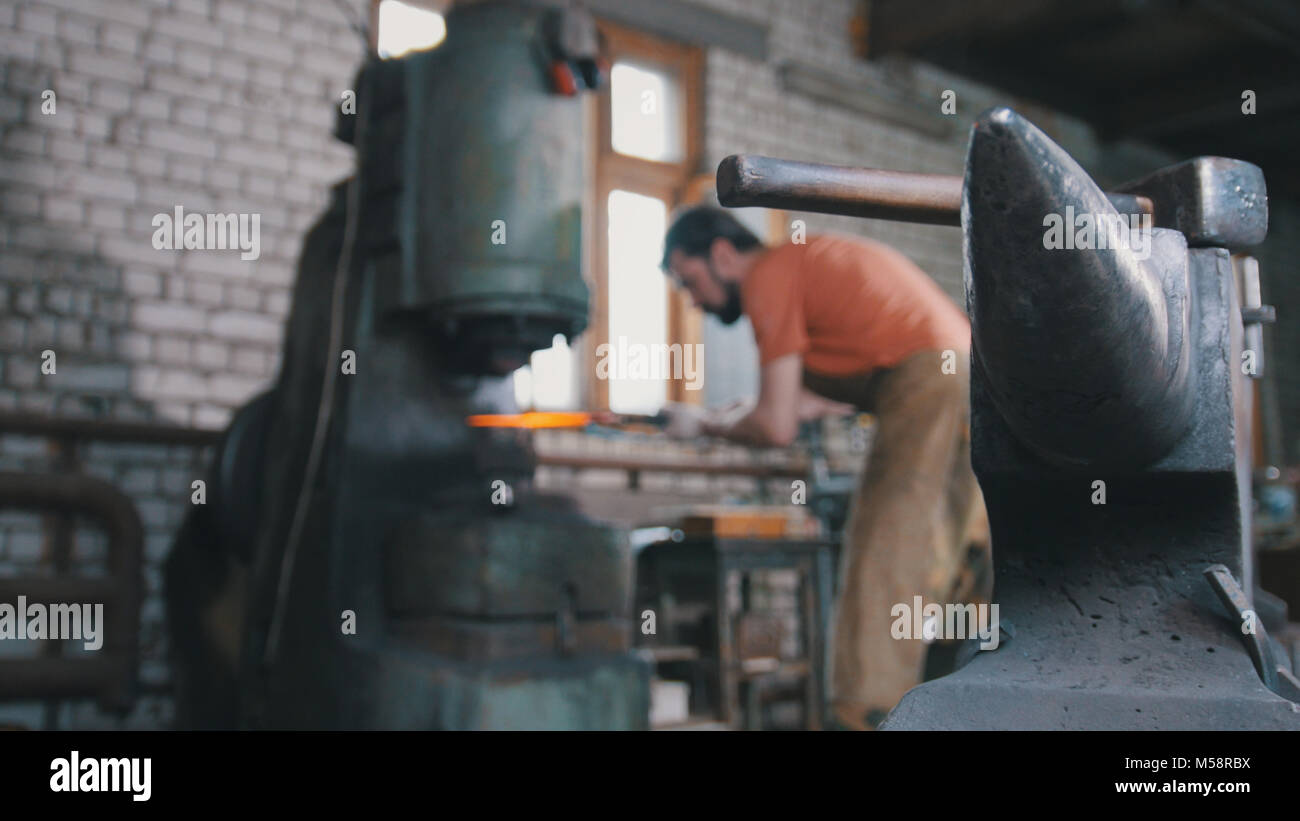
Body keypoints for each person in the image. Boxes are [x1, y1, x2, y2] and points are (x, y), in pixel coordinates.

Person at [658, 206, 990, 730]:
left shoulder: (769, 274)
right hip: (973, 376)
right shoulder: (805, 264)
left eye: (689, 281)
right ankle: (961, 708)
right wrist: (735, 415)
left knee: (886, 553)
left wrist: (700, 424)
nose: (693, 300)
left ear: (722, 255)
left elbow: (776, 425)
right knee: (956, 564)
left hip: (930, 381)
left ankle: (867, 716)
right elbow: (807, 402)